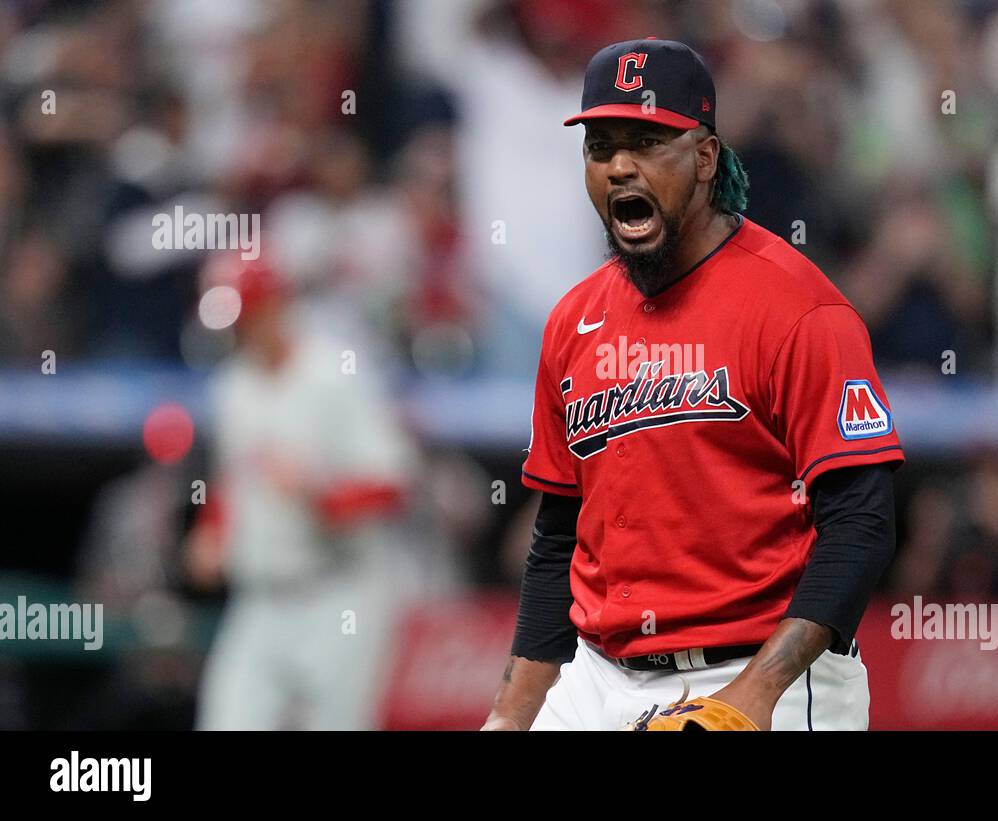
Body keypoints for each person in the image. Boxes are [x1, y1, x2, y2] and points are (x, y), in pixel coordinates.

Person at [482, 39, 904, 731]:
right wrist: (508, 714)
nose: (620, 166)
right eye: (601, 146)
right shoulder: (573, 320)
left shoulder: (799, 307)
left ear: (705, 157)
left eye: (647, 142)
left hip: (763, 667)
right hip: (597, 675)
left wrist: (755, 692)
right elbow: (558, 538)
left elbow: (860, 521)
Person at [186, 255, 414, 730]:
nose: (239, 330)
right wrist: (212, 531)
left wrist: (320, 495)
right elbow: (232, 483)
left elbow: (394, 484)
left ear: (274, 307)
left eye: (246, 315)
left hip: (339, 593)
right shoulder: (232, 387)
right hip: (259, 597)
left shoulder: (336, 374)